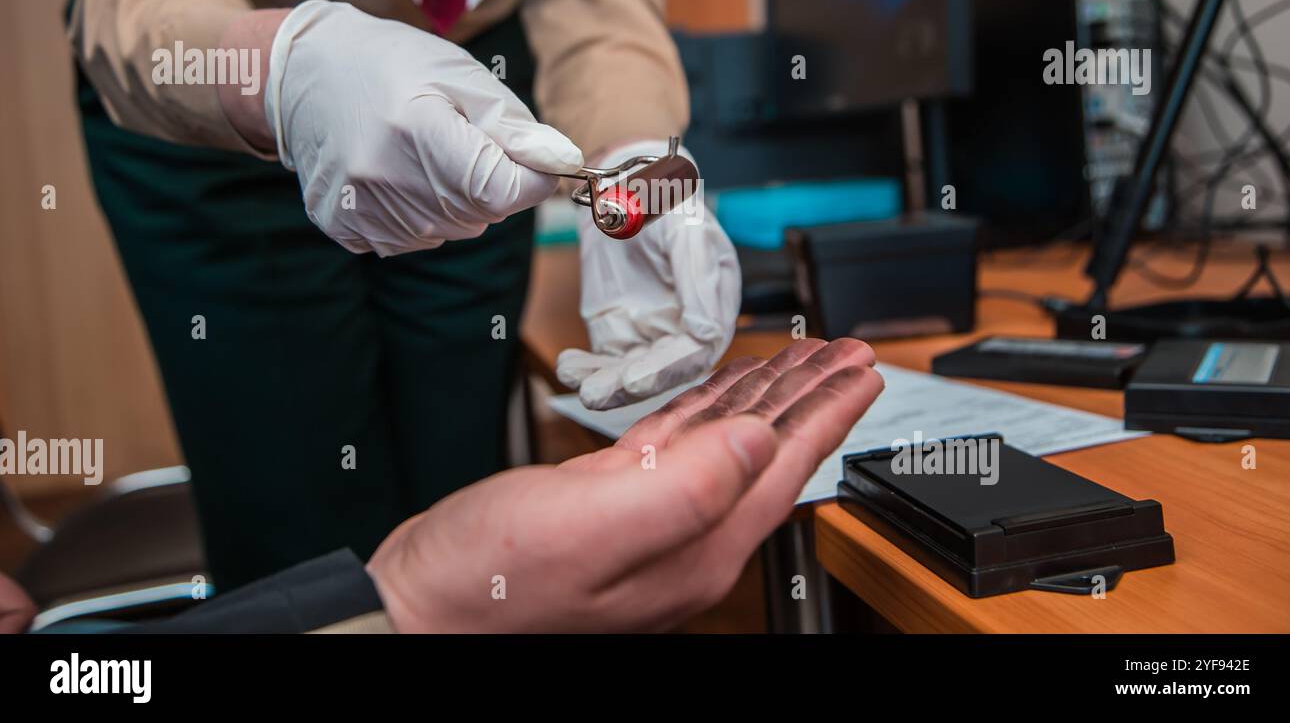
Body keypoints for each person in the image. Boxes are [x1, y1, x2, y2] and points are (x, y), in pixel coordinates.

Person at [47, 0, 740, 591]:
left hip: (473, 100)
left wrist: (638, 165)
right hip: (224, 99)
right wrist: (290, 73)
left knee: (464, 501)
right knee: (303, 539)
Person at [3, 340, 882, 633]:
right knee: (295, 504)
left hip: (462, 182)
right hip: (216, 151)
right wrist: (407, 606)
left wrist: (633, 154)